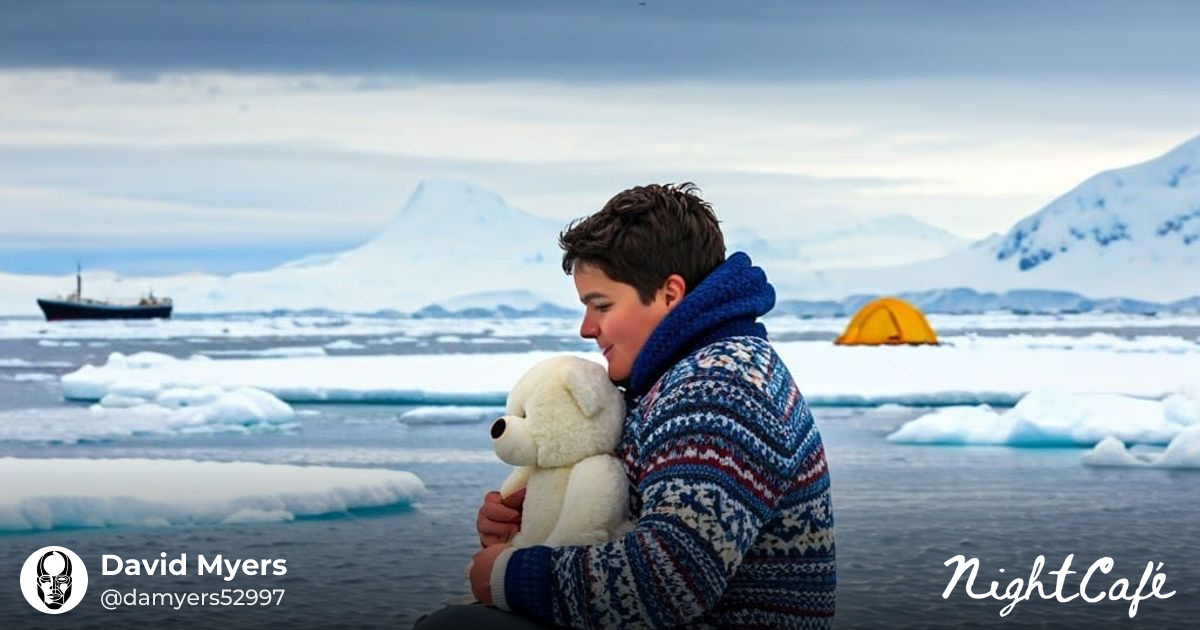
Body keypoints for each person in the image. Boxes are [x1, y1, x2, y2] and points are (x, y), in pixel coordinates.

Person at [417, 183, 835, 629]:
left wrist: (508, 575)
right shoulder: (686, 375)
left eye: (601, 305)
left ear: (670, 295)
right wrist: (530, 520)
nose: (586, 328)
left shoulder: (720, 389)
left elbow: (672, 577)